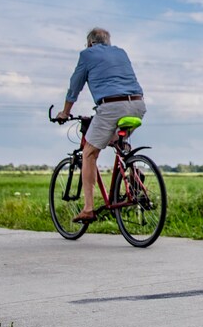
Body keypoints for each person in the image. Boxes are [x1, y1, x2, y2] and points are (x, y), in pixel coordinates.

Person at [56, 27, 146, 223]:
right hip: (138, 105)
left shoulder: (86, 54)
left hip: (111, 106)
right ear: (108, 42)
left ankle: (88, 209)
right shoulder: (121, 52)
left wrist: (65, 112)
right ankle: (133, 173)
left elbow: (75, 86)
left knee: (89, 152)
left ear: (90, 43)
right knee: (117, 139)